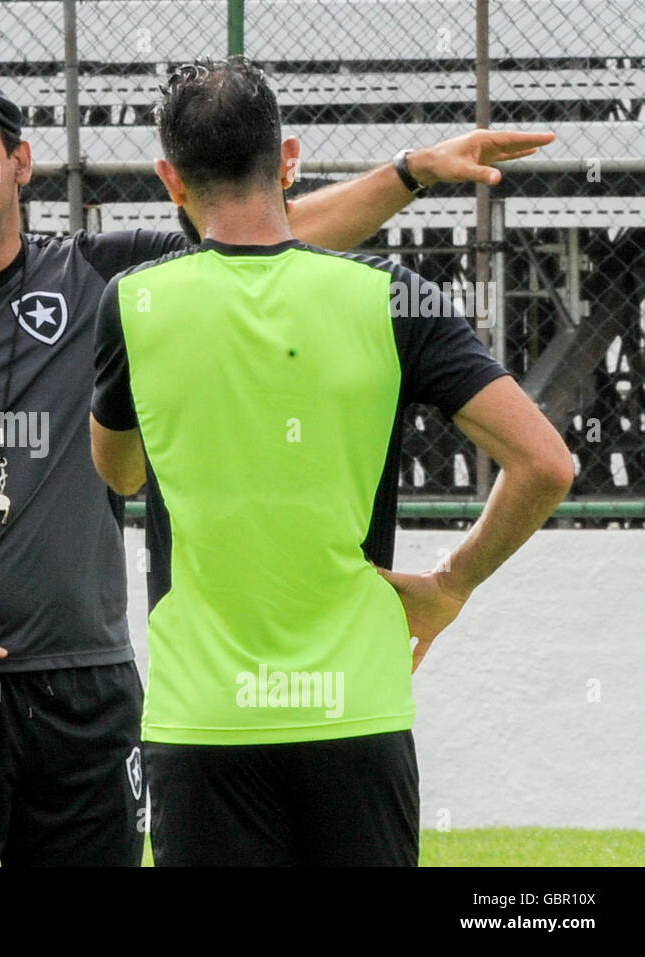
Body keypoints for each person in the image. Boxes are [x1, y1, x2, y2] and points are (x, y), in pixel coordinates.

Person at [0, 71, 557, 867]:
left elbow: (273, 235)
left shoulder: (113, 281)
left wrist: (411, 172)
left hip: (91, 687)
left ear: (20, 162)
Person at [90, 57, 573, 866]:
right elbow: (546, 464)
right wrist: (450, 583)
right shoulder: (391, 297)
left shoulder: (133, 305)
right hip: (355, 712)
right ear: (290, 160)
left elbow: (121, 474)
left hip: (204, 718)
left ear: (169, 178)